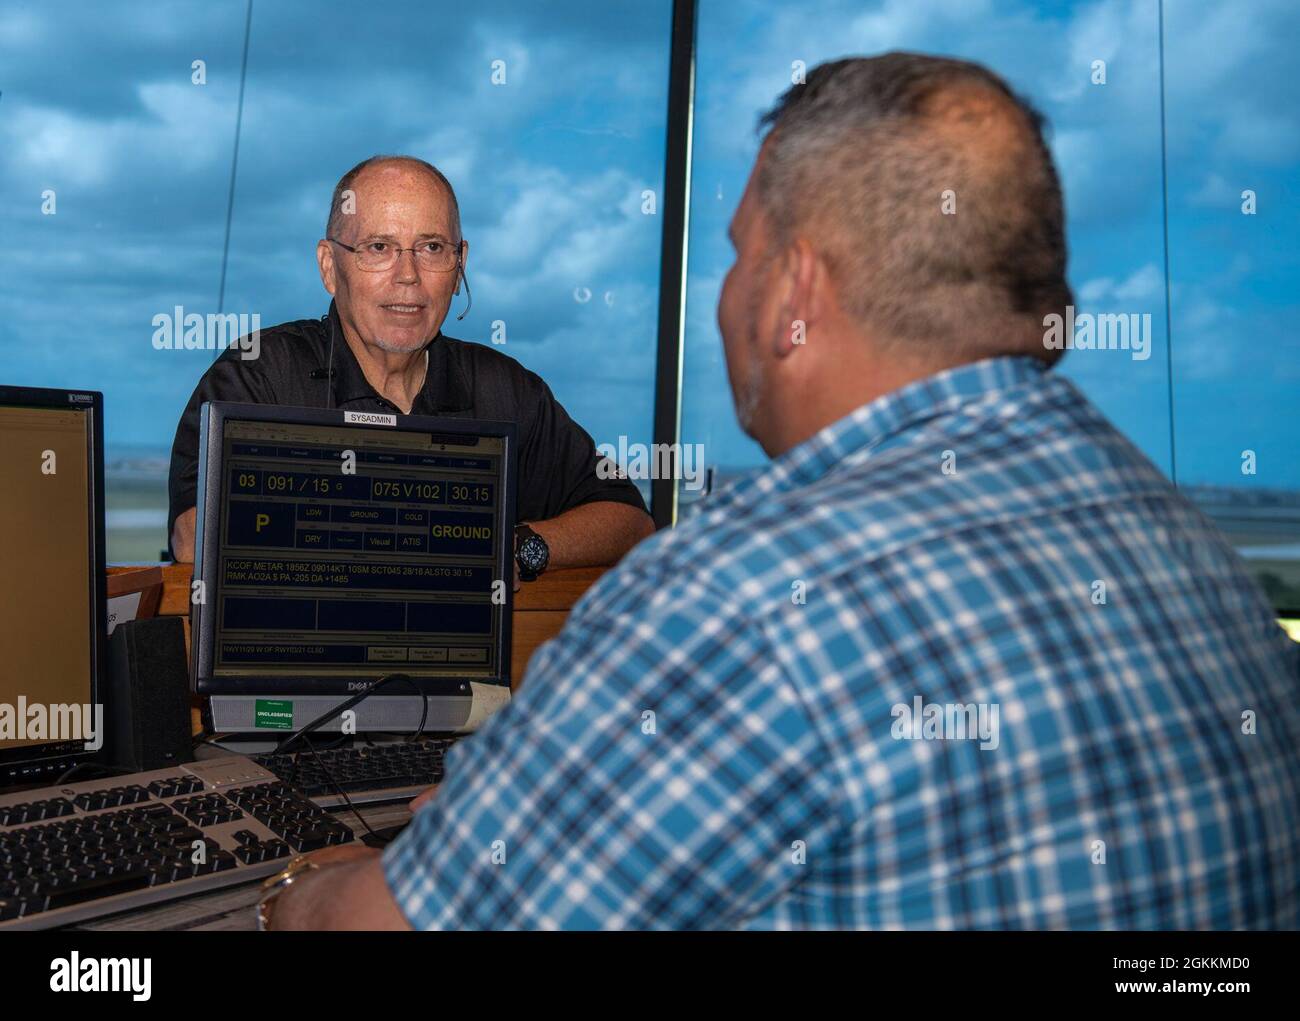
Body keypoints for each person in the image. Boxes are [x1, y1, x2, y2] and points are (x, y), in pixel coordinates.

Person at [261, 53, 1300, 930]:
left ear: (794, 290)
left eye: (736, 255)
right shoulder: (1194, 554)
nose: (726, 293)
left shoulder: (740, 597)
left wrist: (300, 882)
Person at [167, 155, 653, 576]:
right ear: (330, 267)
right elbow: (192, 539)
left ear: (460, 264)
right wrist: (413, 542)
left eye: (432, 248)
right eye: (379, 248)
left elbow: (630, 522)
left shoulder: (505, 389)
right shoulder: (259, 374)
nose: (408, 276)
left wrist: (517, 548)